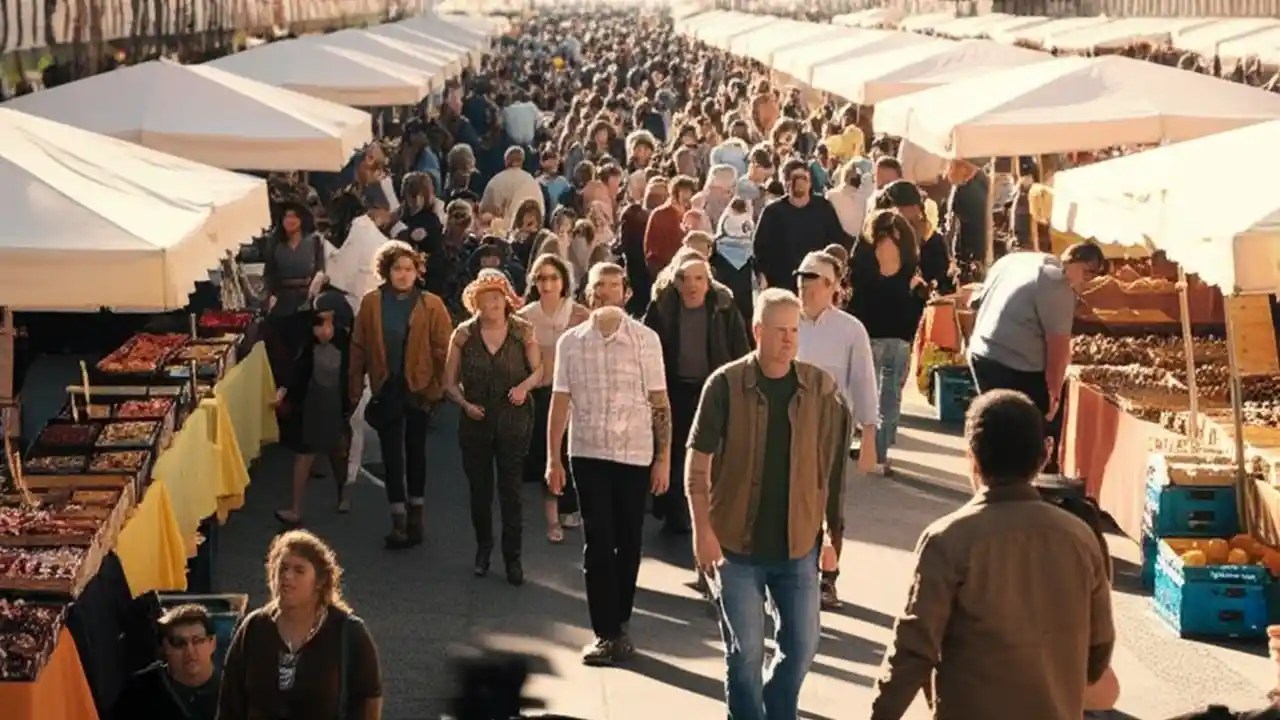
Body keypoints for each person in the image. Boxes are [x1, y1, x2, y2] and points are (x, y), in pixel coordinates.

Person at [870, 390, 1115, 720]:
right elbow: (1098, 652)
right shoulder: (1079, 538)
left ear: (971, 455)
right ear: (1045, 454)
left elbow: (912, 652)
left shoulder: (948, 540)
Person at [686, 288, 852, 720]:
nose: (788, 340)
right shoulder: (723, 386)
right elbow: (697, 466)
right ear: (757, 330)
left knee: (801, 648)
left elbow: (832, 468)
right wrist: (702, 532)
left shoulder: (819, 389)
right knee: (744, 656)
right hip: (735, 547)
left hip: (797, 546)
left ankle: (778, 713)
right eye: (779, 331)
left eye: (794, 331)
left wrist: (833, 535)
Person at [546, 262, 671, 666]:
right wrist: (553, 458)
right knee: (598, 541)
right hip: (588, 452)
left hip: (634, 453)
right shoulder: (572, 342)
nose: (608, 292)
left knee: (628, 541)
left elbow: (659, 402)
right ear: (589, 292)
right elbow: (560, 400)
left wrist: (663, 459)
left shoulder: (645, 340)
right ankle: (606, 632)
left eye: (615, 285)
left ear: (627, 292)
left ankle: (621, 622)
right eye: (601, 285)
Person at [967, 242, 1106, 473]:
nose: (1086, 281)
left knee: (996, 428)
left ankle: (995, 480)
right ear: (1078, 263)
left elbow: (974, 302)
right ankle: (1033, 486)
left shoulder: (1017, 260)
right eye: (1088, 273)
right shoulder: (1056, 283)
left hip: (982, 354)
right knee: (1032, 433)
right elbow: (1058, 347)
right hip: (1013, 365)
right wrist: (1054, 395)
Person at [349, 240, 452, 549]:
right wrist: (355, 386)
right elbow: (359, 346)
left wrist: (438, 388)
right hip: (387, 387)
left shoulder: (431, 304)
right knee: (392, 453)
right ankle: (398, 518)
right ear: (386, 271)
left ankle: (416, 514)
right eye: (397, 268)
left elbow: (443, 349)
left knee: (416, 451)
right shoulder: (371, 303)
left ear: (417, 271)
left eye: (409, 269)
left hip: (419, 388)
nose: (403, 274)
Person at [217, 530, 382, 720]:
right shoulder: (254, 628)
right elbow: (229, 702)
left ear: (320, 581)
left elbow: (369, 702)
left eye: (299, 570)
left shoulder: (348, 632)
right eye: (283, 568)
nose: (287, 576)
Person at [444, 269, 542, 585]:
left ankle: (513, 558)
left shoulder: (522, 331)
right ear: (477, 303)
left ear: (506, 300)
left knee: (511, 491)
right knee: (480, 490)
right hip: (477, 421)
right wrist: (464, 404)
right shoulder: (463, 334)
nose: (493, 304)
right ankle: (483, 549)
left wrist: (524, 387)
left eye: (497, 297)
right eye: (486, 299)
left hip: (513, 420)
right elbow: (448, 381)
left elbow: (539, 370)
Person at [643, 249, 750, 535]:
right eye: (685, 278)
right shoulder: (662, 306)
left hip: (712, 389)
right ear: (675, 282)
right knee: (675, 453)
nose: (692, 285)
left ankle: (714, 513)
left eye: (698, 279)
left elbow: (740, 350)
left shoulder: (724, 306)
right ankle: (676, 514)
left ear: (708, 282)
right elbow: (647, 346)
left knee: (712, 454)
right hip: (673, 390)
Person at [793, 251, 878, 609]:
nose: (805, 289)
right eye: (801, 282)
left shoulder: (849, 329)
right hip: (788, 412)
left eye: (813, 282)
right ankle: (793, 570)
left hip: (831, 416)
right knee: (790, 495)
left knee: (829, 500)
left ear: (831, 287)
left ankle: (828, 577)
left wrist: (869, 433)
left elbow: (862, 381)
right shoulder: (785, 319)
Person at [849, 212, 929, 476]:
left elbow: (855, 295)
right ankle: (880, 454)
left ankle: (860, 444)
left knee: (862, 395)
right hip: (898, 338)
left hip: (868, 335)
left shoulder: (864, 256)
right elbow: (919, 301)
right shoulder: (908, 260)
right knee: (890, 398)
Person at [518, 254, 590, 543]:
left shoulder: (580, 314)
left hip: (574, 393)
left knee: (571, 449)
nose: (547, 284)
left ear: (564, 282)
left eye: (553, 278)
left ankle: (570, 505)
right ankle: (551, 511)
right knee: (547, 451)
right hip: (540, 392)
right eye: (541, 278)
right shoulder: (525, 317)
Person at [274, 291, 356, 526]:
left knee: (338, 454)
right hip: (312, 404)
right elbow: (296, 372)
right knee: (304, 454)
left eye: (330, 323)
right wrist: (284, 391)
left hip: (337, 405)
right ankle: (296, 508)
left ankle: (344, 493)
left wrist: (351, 404)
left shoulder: (347, 347)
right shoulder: (307, 346)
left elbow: (353, 377)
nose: (324, 330)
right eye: (319, 323)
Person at [753, 159, 848, 291]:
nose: (800, 183)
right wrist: (763, 276)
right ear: (786, 183)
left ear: (810, 182)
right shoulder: (773, 212)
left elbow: (837, 241)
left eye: (804, 178)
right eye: (795, 178)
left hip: (817, 282)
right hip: (783, 285)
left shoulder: (823, 208)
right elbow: (760, 248)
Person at [112, 604, 219, 720]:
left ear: (212, 642)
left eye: (197, 640)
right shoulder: (139, 692)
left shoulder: (232, 688)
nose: (190, 651)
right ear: (165, 647)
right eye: (179, 643)